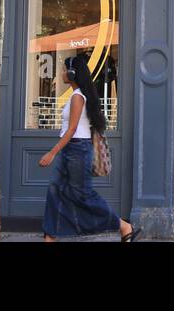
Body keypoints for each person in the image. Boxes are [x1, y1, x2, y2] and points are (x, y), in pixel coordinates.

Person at [40, 53, 139, 242]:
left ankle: (124, 226)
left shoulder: (78, 98)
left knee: (83, 195)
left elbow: (72, 129)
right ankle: (50, 237)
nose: (61, 73)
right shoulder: (75, 95)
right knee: (55, 190)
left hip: (77, 150)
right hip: (71, 150)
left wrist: (52, 153)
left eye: (63, 69)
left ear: (71, 73)